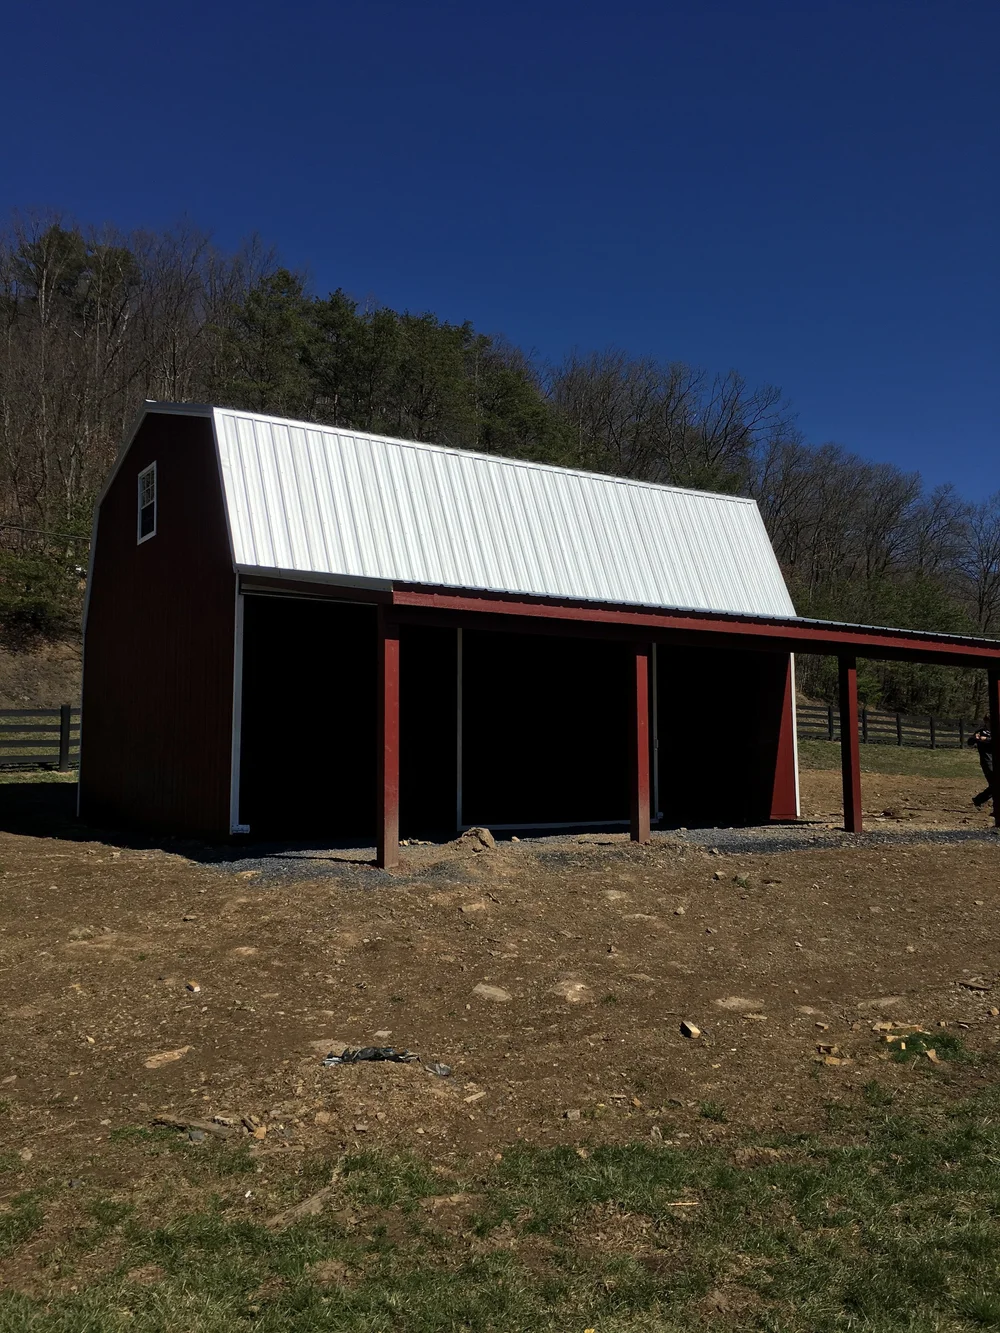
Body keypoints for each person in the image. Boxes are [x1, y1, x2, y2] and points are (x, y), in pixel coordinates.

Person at [969, 716, 994, 808]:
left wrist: (985, 739)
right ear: (986, 721)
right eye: (989, 721)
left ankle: (979, 799)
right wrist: (976, 738)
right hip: (987, 761)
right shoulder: (981, 732)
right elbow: (970, 742)